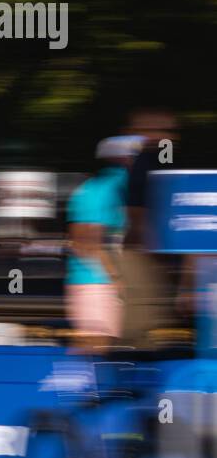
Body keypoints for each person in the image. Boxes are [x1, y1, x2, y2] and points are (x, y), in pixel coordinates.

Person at [64, 136, 141, 355]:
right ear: (126, 159)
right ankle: (66, 386)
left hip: (100, 282)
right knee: (94, 346)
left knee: (101, 348)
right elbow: (87, 243)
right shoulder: (102, 191)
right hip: (96, 283)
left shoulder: (112, 188)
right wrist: (116, 279)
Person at [120, 109, 180, 350]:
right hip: (140, 254)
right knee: (141, 325)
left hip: (150, 254)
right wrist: (152, 246)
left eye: (167, 131)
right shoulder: (142, 164)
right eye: (152, 130)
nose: (162, 137)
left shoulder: (157, 162)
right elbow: (136, 212)